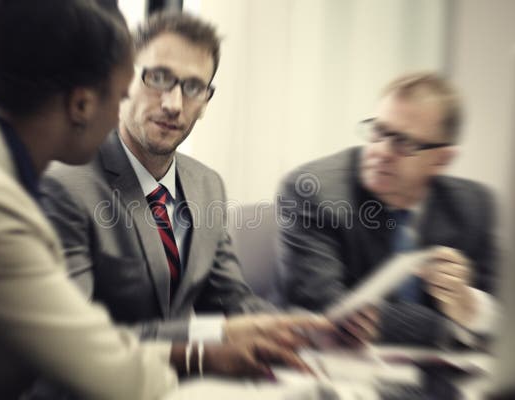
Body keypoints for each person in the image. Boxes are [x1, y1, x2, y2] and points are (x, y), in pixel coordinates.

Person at [0, 2, 304, 399]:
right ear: (83, 104)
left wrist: (277, 332)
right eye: (123, 93)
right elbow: (107, 367)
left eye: (192, 87)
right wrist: (209, 350)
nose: (170, 104)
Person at [40, 11, 325, 346]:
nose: (174, 104)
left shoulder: (207, 185)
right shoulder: (66, 184)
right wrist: (210, 338)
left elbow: (229, 299)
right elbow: (76, 340)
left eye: (193, 87)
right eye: (158, 78)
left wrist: (305, 331)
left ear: (205, 102)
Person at [278, 72, 498, 346]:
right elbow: (327, 310)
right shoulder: (315, 191)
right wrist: (456, 325)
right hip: (330, 359)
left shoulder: (473, 206)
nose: (381, 151)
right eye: (378, 131)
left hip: (433, 368)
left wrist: (468, 303)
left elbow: (511, 316)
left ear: (442, 160)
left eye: (403, 142)